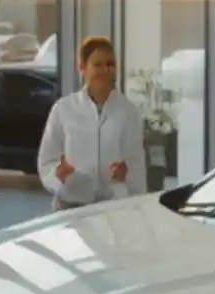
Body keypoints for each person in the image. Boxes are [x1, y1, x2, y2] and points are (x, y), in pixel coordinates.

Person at [38, 36, 146, 211]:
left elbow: (137, 167)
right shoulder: (63, 109)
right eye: (97, 64)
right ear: (82, 68)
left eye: (110, 64)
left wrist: (126, 175)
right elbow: (46, 161)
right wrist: (58, 175)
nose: (105, 70)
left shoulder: (128, 112)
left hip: (113, 209)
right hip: (69, 207)